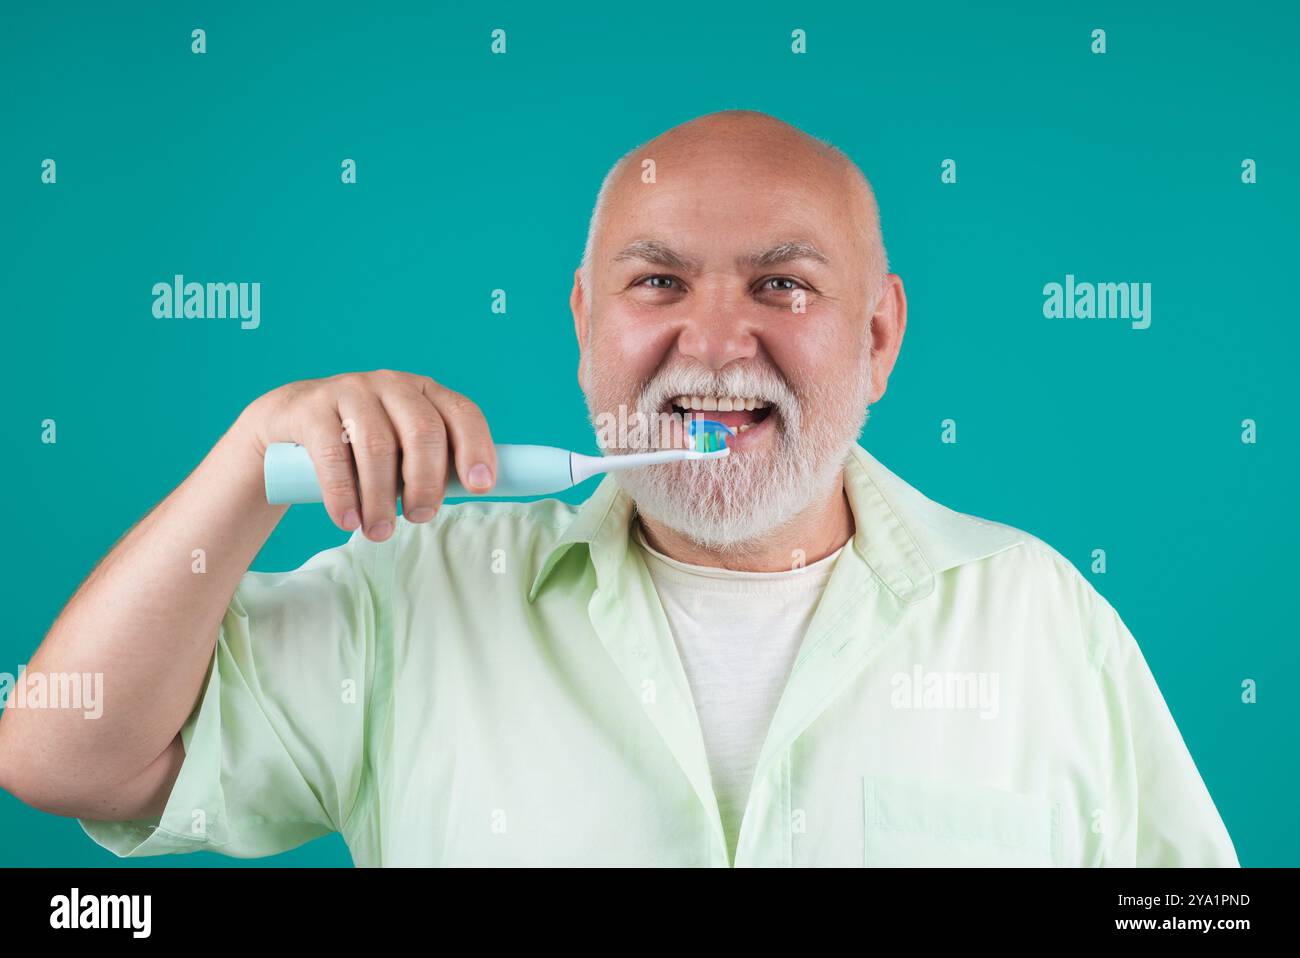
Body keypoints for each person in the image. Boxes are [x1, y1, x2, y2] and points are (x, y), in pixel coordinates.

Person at [0, 110, 1237, 866]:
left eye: (781, 286)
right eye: (657, 284)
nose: (711, 342)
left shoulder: (1039, 619)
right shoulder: (416, 598)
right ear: (587, 325)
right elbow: (62, 755)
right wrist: (245, 465)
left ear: (876, 339)